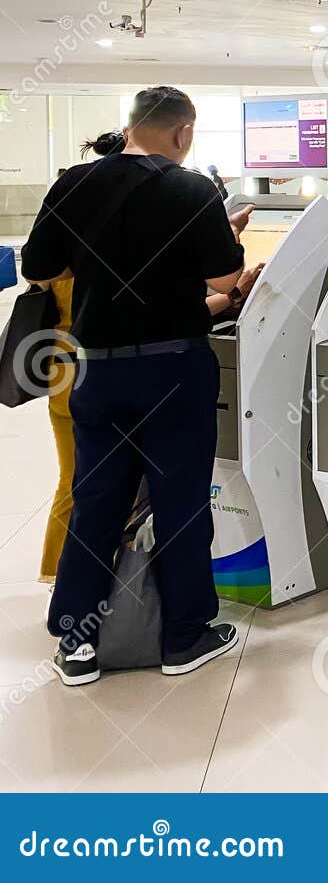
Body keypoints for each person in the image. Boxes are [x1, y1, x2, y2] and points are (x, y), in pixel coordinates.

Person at [22, 87, 248, 686]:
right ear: (182, 132)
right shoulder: (192, 189)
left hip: (96, 369)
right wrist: (224, 236)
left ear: (130, 126)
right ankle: (184, 637)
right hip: (174, 369)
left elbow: (40, 270)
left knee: (96, 501)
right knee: (180, 504)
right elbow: (225, 276)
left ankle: (77, 645)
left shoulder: (73, 184)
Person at [37, 130, 124, 587]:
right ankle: (108, 575)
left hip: (60, 370)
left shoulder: (54, 246)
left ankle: (56, 572)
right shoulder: (111, 250)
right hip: (103, 372)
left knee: (71, 478)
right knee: (113, 484)